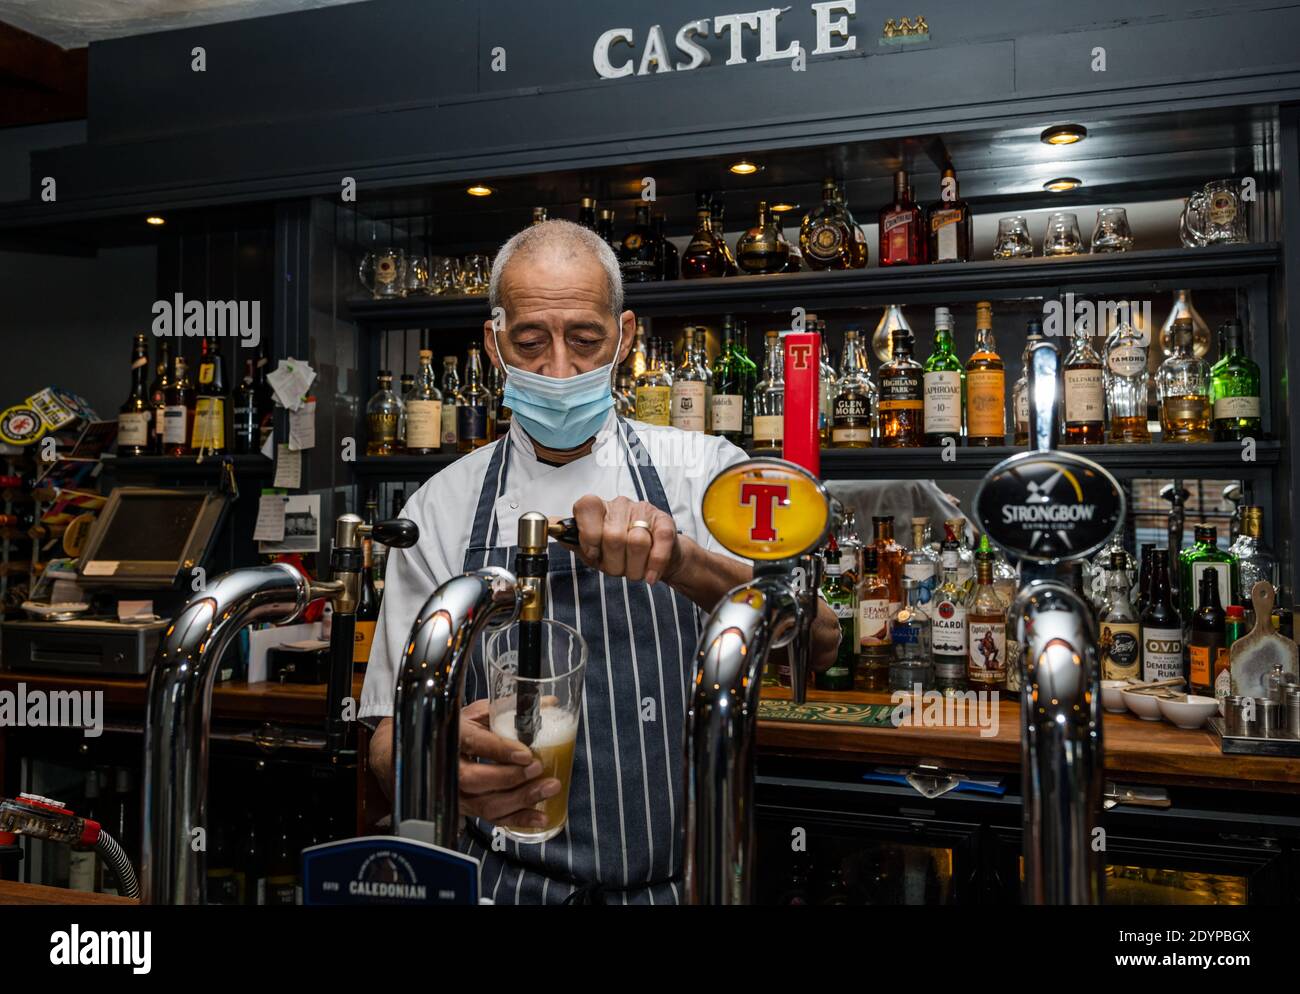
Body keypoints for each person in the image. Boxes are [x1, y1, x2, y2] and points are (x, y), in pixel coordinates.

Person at [360, 219, 839, 904]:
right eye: (530, 341)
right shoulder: (442, 504)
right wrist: (430, 764)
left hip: (680, 885)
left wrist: (683, 564)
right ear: (494, 344)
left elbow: (816, 641)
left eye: (585, 340)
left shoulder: (709, 473)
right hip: (499, 887)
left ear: (627, 335)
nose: (560, 370)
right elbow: (385, 732)